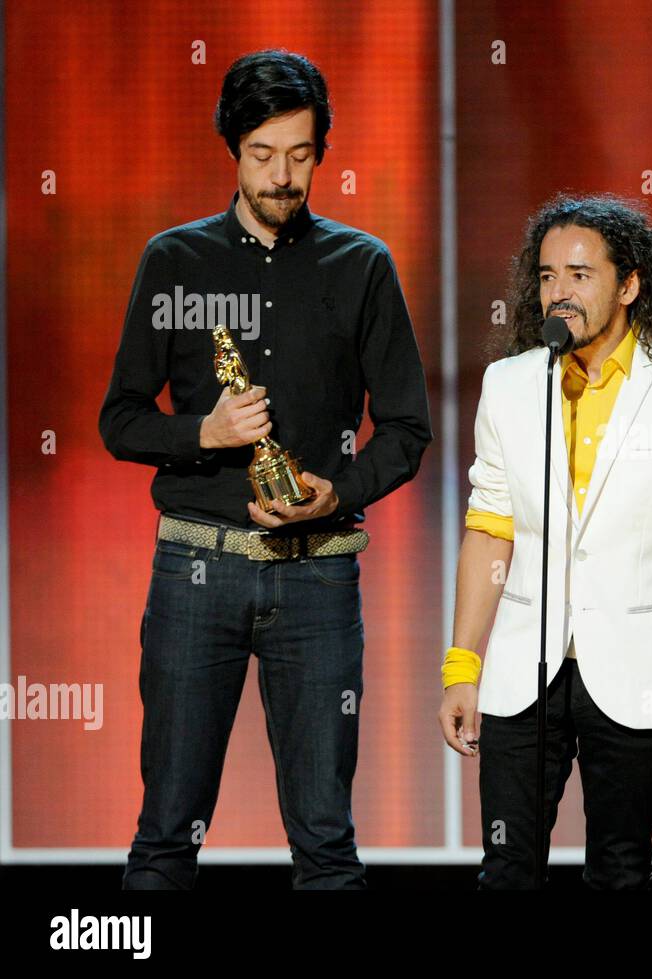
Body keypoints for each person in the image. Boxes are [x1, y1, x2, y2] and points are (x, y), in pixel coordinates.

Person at [100, 49, 432, 889]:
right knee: (165, 834)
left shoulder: (362, 265)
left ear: (322, 148)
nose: (284, 176)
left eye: (301, 153)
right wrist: (203, 432)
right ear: (231, 148)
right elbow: (120, 421)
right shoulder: (174, 261)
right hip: (195, 567)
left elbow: (405, 429)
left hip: (318, 577)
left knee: (326, 843)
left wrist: (340, 490)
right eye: (263, 155)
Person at [437, 195, 652, 889]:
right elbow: (490, 528)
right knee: (507, 867)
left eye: (579, 275)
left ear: (629, 284)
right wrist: (463, 667)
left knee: (620, 868)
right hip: (523, 673)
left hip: (641, 672)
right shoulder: (511, 384)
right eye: (546, 276)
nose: (559, 293)